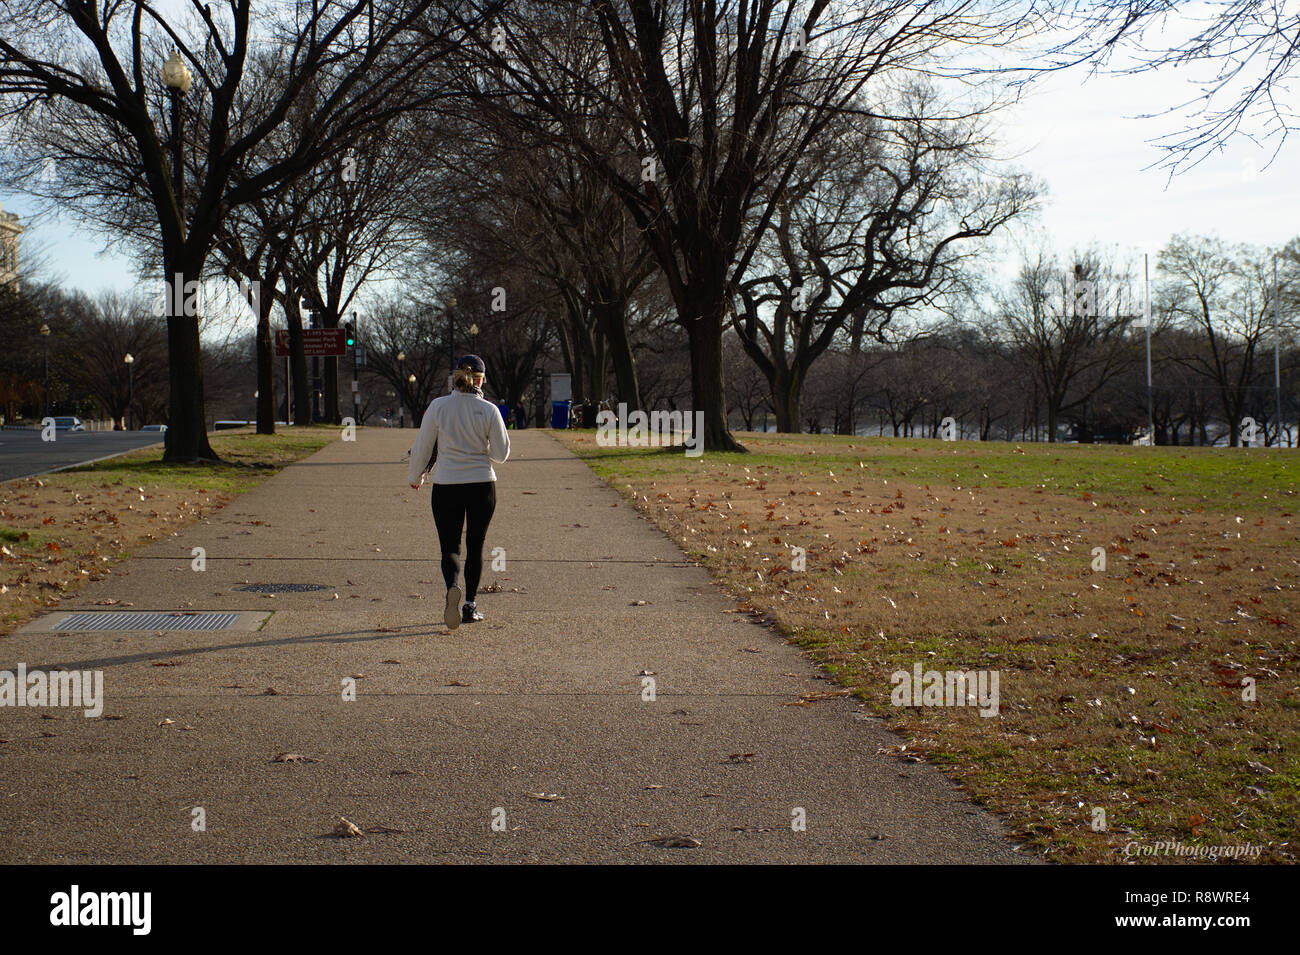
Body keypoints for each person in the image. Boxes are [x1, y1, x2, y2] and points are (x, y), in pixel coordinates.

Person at [408, 355, 510, 630]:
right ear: (481, 380)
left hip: (446, 484)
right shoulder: (489, 411)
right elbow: (501, 454)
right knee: (476, 545)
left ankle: (453, 586)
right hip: (481, 485)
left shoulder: (438, 407)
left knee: (450, 546)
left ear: (453, 379)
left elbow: (423, 446)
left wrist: (415, 476)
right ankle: (470, 606)